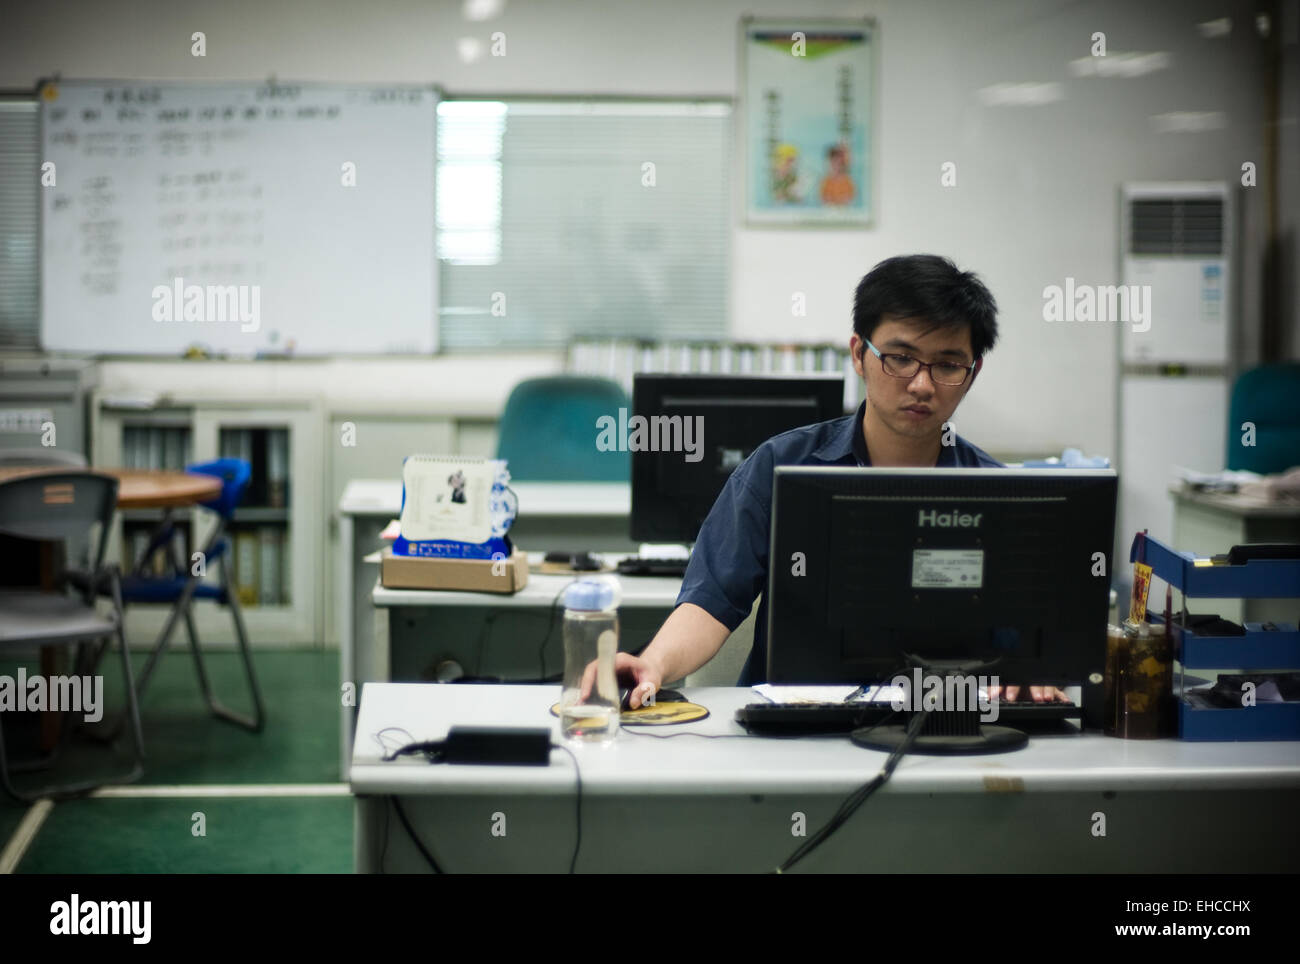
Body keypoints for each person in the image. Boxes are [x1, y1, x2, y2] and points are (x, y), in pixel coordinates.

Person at [613, 254, 1067, 708]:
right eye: (901, 358)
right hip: (793, 731)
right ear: (859, 354)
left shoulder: (997, 494)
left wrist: (1035, 671)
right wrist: (654, 662)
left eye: (947, 365)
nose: (921, 385)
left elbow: (1026, 643)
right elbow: (710, 603)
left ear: (972, 374)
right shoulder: (779, 467)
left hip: (944, 735)